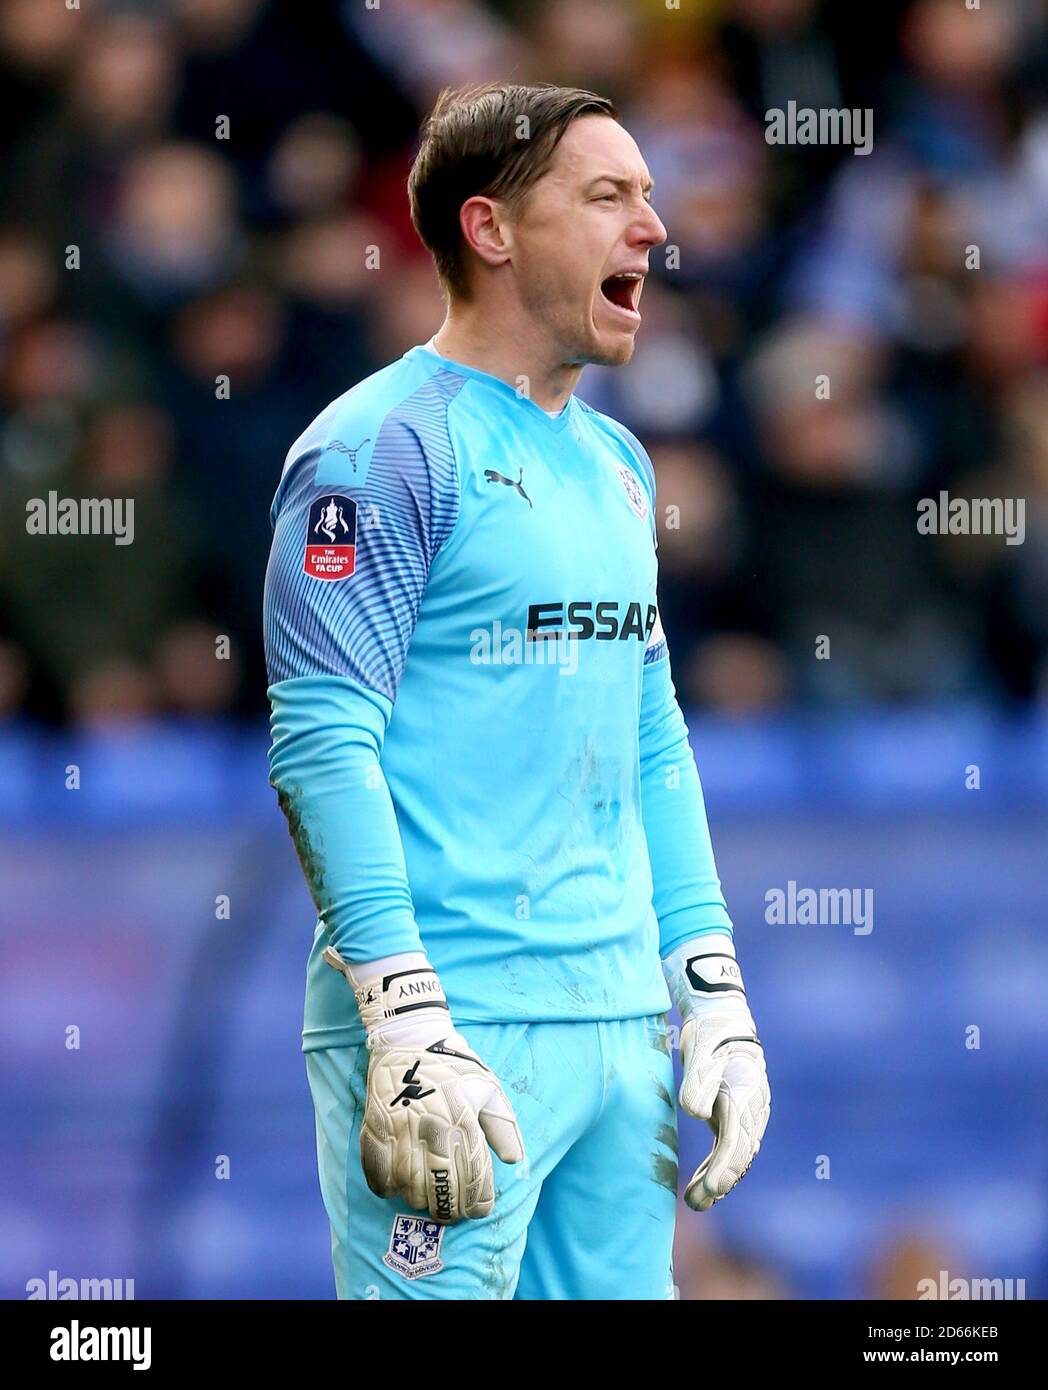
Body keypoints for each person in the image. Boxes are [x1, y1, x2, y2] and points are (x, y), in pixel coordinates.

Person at [263, 82, 770, 1301]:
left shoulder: (614, 457)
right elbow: (323, 738)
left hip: (616, 1025)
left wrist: (711, 986)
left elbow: (648, 732)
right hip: (456, 1025)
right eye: (608, 197)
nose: (652, 228)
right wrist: (401, 1016)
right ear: (490, 231)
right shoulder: (379, 449)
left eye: (648, 197)